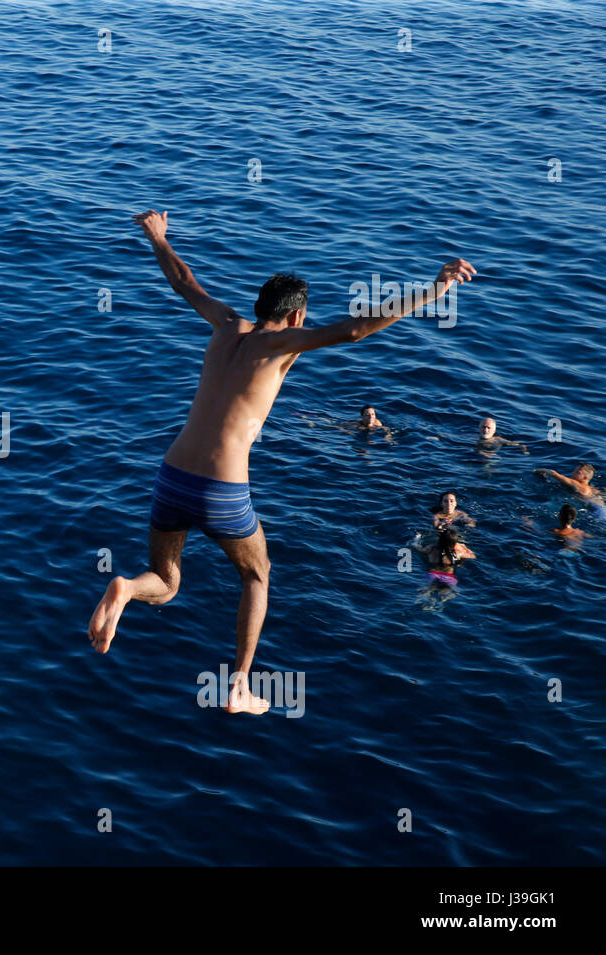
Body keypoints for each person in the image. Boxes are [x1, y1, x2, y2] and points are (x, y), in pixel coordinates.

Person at [86, 207, 475, 714]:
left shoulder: (225, 324)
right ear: (295, 316)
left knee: (166, 581)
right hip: (221, 490)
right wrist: (431, 291)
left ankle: (124, 588)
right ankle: (239, 686)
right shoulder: (284, 342)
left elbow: (184, 282)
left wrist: (158, 236)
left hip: (171, 477)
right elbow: (355, 330)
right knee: (258, 574)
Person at [535, 463, 600, 500]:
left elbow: (553, 473)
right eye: (574, 470)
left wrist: (540, 470)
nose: (573, 473)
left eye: (577, 472)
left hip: (597, 510)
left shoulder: (576, 484)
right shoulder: (590, 488)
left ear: (585, 478)